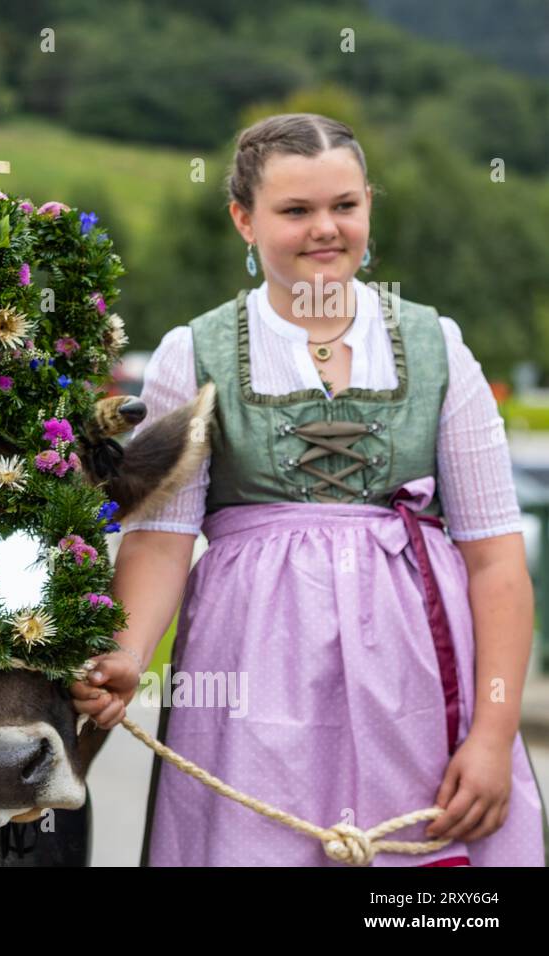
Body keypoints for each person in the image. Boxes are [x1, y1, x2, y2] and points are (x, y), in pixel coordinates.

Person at [70, 113, 547, 867]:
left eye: (345, 206)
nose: (326, 229)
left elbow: (494, 560)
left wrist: (490, 736)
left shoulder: (437, 346)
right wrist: (127, 653)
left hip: (419, 678)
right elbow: (161, 544)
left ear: (367, 209)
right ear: (244, 220)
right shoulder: (190, 353)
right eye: (296, 211)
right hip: (250, 680)